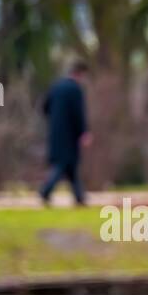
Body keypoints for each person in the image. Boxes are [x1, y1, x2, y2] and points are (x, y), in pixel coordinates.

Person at [39, 60, 90, 205]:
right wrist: (83, 132)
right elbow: (78, 113)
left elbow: (44, 107)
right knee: (62, 164)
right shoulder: (75, 89)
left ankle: (79, 197)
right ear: (80, 74)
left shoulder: (56, 86)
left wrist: (55, 120)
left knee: (70, 167)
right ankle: (45, 191)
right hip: (70, 134)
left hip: (55, 132)